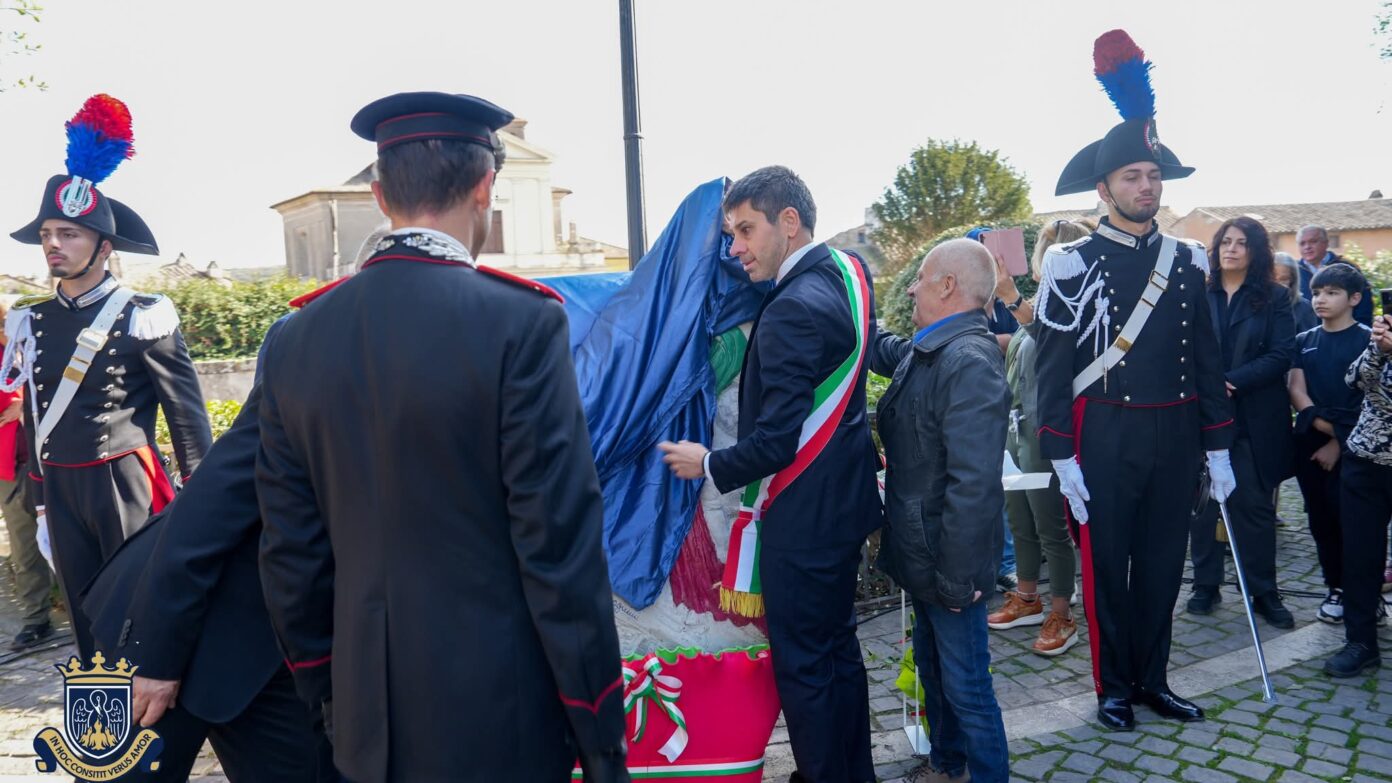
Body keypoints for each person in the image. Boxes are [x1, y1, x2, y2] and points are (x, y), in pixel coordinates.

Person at [255, 92, 628, 783]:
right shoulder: (521, 322)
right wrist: (598, 728)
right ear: (485, 187)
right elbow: (558, 547)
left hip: (365, 723)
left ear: (379, 196)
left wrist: (328, 693)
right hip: (500, 716)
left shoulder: (293, 340)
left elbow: (289, 555)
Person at [1034, 30, 1235, 731]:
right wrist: (1061, 454)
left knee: (1160, 565)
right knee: (1107, 568)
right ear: (1104, 188)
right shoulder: (1071, 264)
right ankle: (1112, 687)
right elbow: (1051, 369)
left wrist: (1218, 445)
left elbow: (1207, 359)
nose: (1146, 186)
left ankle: (1154, 679)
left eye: (1153, 175)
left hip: (1176, 430)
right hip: (1105, 431)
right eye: (1131, 177)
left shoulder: (1189, 259)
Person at [659, 166, 881, 783]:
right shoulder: (847, 275)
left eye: (745, 230)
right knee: (839, 652)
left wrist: (706, 462)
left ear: (789, 221)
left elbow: (776, 443)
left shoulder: (790, 311)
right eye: (731, 233)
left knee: (805, 666)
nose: (735, 248)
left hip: (804, 522)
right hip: (844, 508)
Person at [2, 95, 211, 658]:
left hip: (125, 480)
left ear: (104, 247)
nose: (53, 244)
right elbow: (37, 414)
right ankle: (101, 713)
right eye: (48, 233)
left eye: (69, 234)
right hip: (61, 489)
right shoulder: (32, 320)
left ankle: (153, 708)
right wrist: (41, 496)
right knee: (86, 625)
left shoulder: (143, 313)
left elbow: (187, 417)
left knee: (137, 617)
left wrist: (204, 500)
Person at [81, 383, 336, 782]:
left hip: (271, 648)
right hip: (163, 620)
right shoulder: (309, 372)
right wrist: (153, 657)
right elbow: (206, 508)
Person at [872, 238, 1011, 783]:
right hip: (928, 555)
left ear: (948, 286)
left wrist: (957, 578)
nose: (911, 288)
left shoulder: (967, 360)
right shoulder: (935, 347)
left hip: (949, 562)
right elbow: (889, 350)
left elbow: (973, 485)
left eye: (921, 278)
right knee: (934, 673)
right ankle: (947, 765)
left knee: (968, 687)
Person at [987, 219, 1091, 657]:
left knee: (1051, 528)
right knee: (1021, 521)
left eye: (1049, 252)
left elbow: (1048, 341)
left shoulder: (1075, 308)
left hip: (1045, 432)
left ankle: (1062, 614)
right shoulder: (1042, 304)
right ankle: (1028, 598)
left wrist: (1011, 297)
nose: (1040, 261)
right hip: (1017, 433)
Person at [1185, 217, 1296, 628]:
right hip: (1201, 416)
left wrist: (1231, 381)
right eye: (1225, 242)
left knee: (1253, 507)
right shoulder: (1197, 292)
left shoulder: (1274, 296)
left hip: (1253, 417)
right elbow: (1183, 348)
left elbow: (1282, 354)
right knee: (1202, 506)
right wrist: (1208, 386)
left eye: (1241, 243)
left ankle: (1263, 591)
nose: (1231, 249)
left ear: (1256, 251)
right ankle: (1205, 585)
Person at [1289, 263, 1371, 624]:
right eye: (1317, 293)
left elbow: (1372, 401)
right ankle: (1335, 586)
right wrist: (1324, 430)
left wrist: (1338, 443)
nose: (1321, 299)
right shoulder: (1304, 341)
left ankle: (1365, 593)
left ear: (1354, 299)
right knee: (1321, 520)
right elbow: (1296, 390)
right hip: (1311, 441)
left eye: (1332, 293)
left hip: (1359, 445)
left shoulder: (1369, 341)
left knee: (1357, 523)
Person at [1322, 307, 1392, 677]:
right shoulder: (1383, 337)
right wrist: (1379, 349)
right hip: (1365, 460)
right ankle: (1361, 642)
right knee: (1361, 556)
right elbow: (1355, 379)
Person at [963, 227, 1020, 593]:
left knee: (1009, 488)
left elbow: (1026, 336)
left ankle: (1009, 565)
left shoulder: (1009, 300)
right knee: (981, 489)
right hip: (973, 406)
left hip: (1009, 404)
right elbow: (968, 341)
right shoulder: (966, 300)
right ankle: (992, 567)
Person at [0, 301, 54, 650]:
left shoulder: (36, 345)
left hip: (53, 463)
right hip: (10, 467)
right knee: (25, 548)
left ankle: (91, 613)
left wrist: (21, 402)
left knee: (69, 541)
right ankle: (37, 620)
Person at [1296, 226, 1373, 326]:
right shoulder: (1294, 271)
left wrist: (1360, 330)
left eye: (1313, 241)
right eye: (1302, 243)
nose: (1307, 247)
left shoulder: (1346, 267)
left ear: (1326, 243)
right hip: (1306, 333)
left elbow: (1364, 302)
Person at [1274, 252, 1318, 333]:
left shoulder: (1303, 308)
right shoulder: (1254, 305)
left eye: (1283, 279)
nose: (1277, 284)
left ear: (1292, 280)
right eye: (1273, 279)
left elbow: (1309, 339)